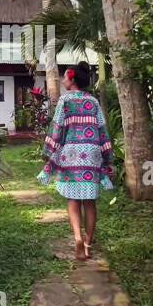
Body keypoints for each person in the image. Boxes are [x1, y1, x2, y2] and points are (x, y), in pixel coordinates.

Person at [36, 61, 114, 261]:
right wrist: (108, 158)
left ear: (72, 80)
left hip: (70, 155)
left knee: (73, 200)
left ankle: (78, 239)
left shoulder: (65, 101)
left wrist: (48, 150)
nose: (63, 80)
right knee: (89, 202)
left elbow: (57, 128)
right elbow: (102, 131)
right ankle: (88, 244)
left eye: (65, 77)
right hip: (92, 154)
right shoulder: (93, 102)